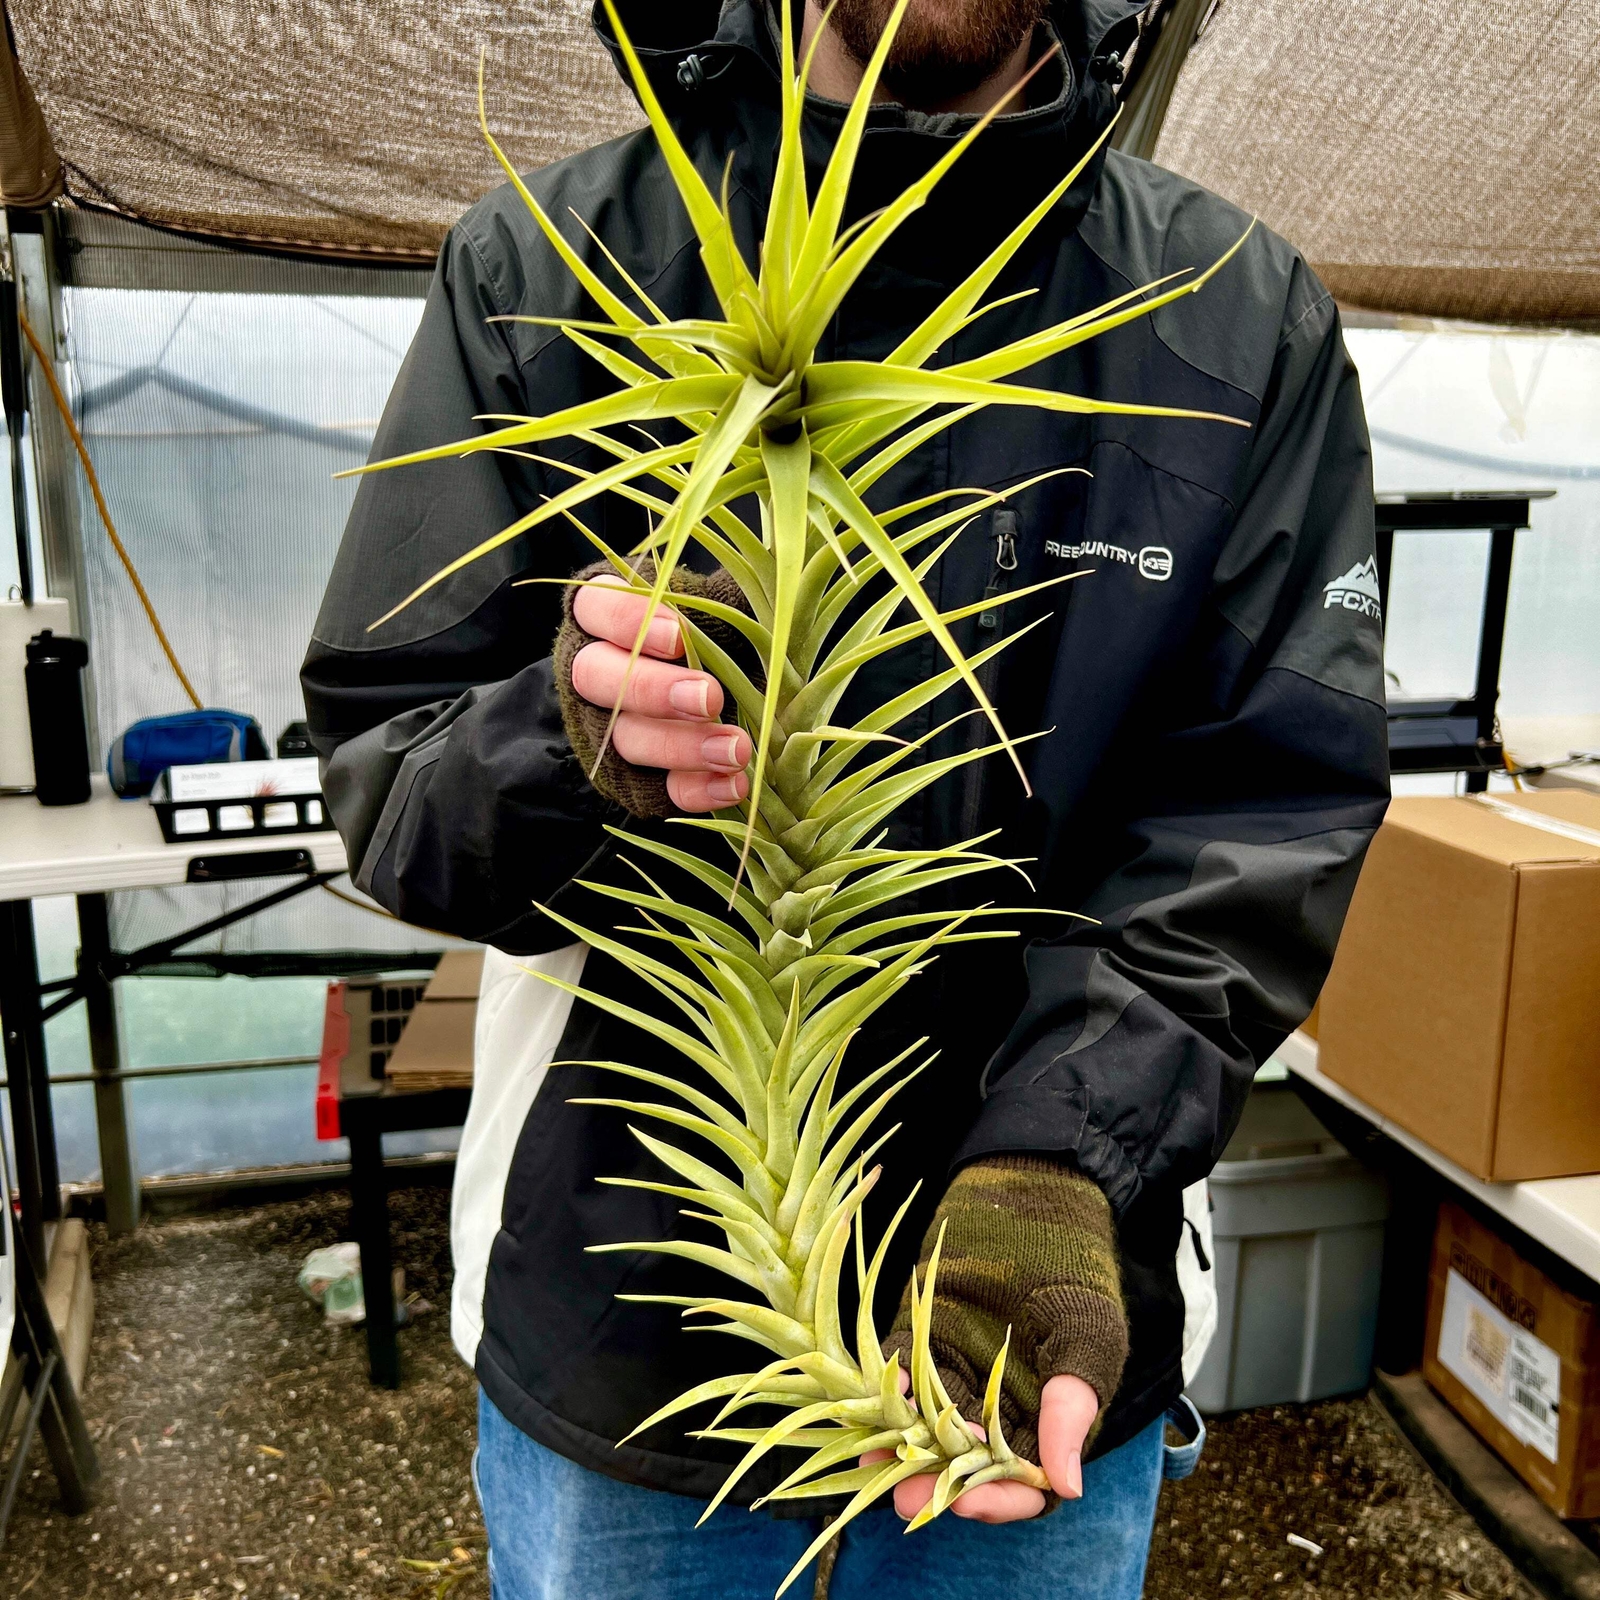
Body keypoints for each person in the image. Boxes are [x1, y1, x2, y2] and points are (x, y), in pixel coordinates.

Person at [302, 0, 1390, 1594]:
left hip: (1035, 1347)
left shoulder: (1231, 314)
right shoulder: (547, 270)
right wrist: (563, 736)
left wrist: (1067, 1157)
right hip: (632, 1353)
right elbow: (391, 782)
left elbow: (1266, 810)